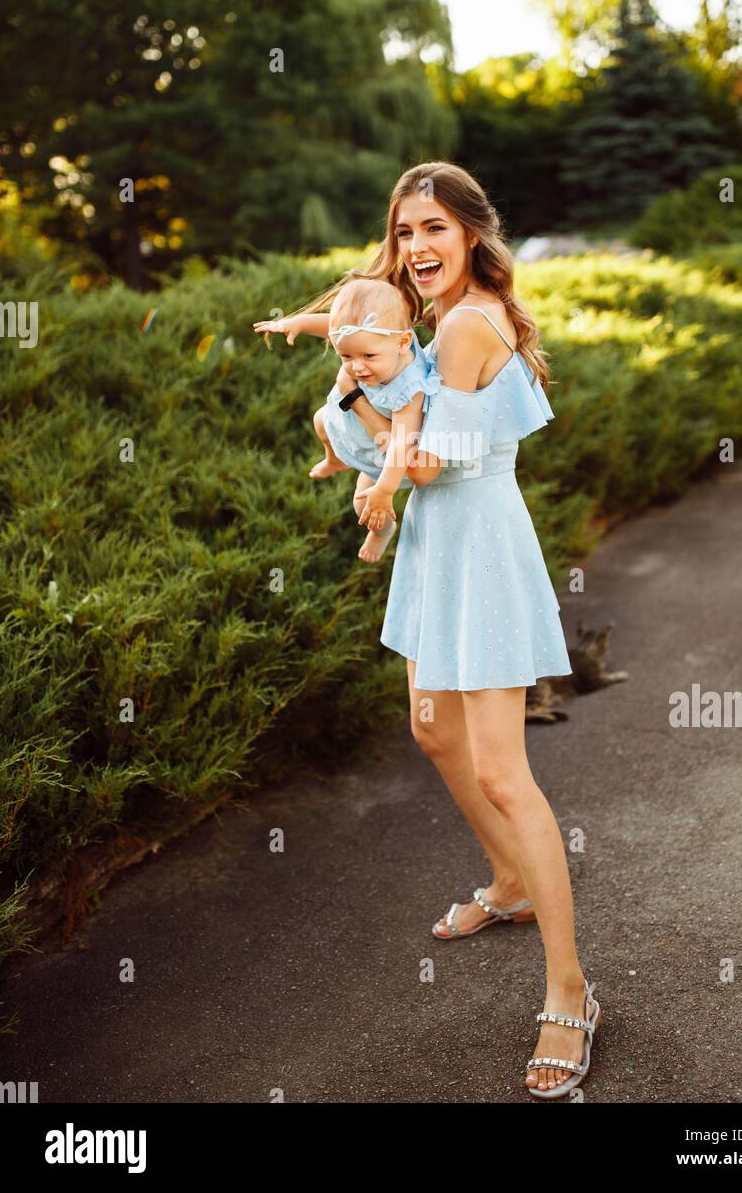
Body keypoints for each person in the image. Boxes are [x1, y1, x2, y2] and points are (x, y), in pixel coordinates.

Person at [266, 161, 602, 1097]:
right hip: (439, 548)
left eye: (435, 230)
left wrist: (354, 394)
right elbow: (412, 449)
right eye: (404, 231)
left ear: (471, 234)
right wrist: (360, 378)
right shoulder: (452, 317)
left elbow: (423, 462)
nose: (416, 248)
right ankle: (511, 884)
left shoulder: (461, 323)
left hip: (479, 549)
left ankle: (570, 992)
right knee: (431, 730)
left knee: (501, 768)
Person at [253, 276, 440, 563]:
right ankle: (335, 459)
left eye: (368, 356)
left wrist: (385, 490)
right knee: (320, 420)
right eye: (346, 356)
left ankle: (384, 531)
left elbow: (402, 442)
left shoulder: (409, 388)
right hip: (358, 428)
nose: (357, 367)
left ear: (404, 342)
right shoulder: (385, 338)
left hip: (387, 456)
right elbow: (335, 327)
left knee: (363, 502)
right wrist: (299, 323)